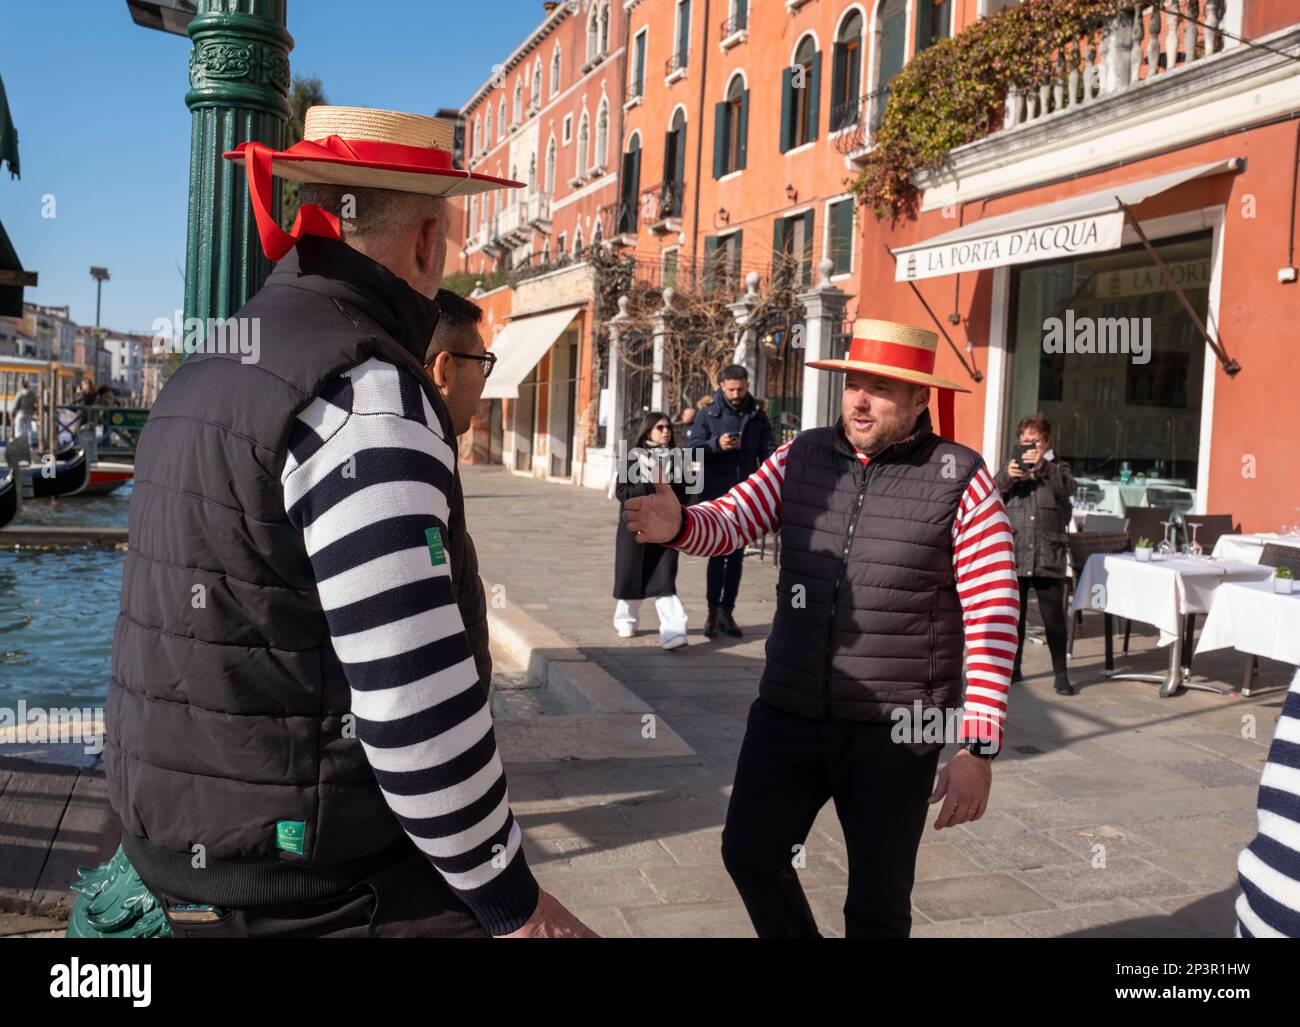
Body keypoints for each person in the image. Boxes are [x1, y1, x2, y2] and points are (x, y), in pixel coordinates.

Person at [106, 105, 592, 939]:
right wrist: (515, 904)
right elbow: (414, 704)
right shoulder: (366, 393)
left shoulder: (216, 357)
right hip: (319, 886)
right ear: (427, 241)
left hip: (190, 852)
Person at [625, 319, 1020, 937]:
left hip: (899, 729)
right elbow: (732, 520)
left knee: (878, 905)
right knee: (751, 854)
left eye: (880, 389)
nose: (860, 401)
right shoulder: (801, 454)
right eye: (853, 384)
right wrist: (681, 524)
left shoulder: (962, 478)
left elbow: (994, 615)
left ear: (920, 400)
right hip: (791, 708)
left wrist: (978, 746)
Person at [684, 364, 776, 639]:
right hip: (715, 493)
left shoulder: (757, 414)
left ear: (747, 385)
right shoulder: (708, 413)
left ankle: (728, 612)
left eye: (741, 388)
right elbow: (691, 451)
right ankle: (712, 613)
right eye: (732, 389)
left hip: (745, 494)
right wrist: (716, 445)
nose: (737, 394)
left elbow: (768, 450)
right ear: (722, 385)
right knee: (717, 554)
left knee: (736, 556)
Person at [994, 412, 1077, 696]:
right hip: (1015, 552)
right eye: (1025, 440)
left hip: (1047, 553)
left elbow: (1068, 488)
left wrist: (1041, 466)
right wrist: (1007, 477)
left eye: (1036, 440)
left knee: (1053, 616)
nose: (1030, 445)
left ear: (1047, 441)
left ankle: (1061, 674)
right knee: (1014, 617)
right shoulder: (1010, 467)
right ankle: (1013, 669)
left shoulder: (1058, 466)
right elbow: (990, 494)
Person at [611, 412, 689, 650]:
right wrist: (648, 484)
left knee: (664, 578)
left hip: (666, 528)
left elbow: (686, 494)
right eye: (660, 427)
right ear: (648, 431)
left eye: (668, 427)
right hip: (634, 526)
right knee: (630, 575)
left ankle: (674, 632)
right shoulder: (633, 459)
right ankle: (626, 620)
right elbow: (622, 493)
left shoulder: (678, 459)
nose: (666, 431)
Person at [9, 379, 35, 445]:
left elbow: (15, 404)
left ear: (22, 385)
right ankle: (29, 444)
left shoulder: (20, 393)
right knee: (28, 428)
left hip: (21, 413)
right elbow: (35, 403)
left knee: (19, 428)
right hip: (30, 414)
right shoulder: (32, 394)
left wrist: (12, 413)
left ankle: (19, 444)